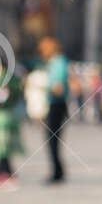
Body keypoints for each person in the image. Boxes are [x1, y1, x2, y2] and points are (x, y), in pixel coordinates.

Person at [0, 59, 25, 189]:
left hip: (0, 116)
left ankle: (3, 172)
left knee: (1, 146)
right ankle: (5, 171)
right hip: (11, 115)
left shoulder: (1, 80)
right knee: (5, 146)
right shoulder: (14, 79)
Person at [37, 38, 70, 184]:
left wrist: (41, 86)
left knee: (52, 139)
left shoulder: (58, 63)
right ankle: (57, 170)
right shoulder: (55, 63)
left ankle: (57, 172)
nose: (41, 54)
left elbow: (58, 88)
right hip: (54, 104)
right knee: (52, 139)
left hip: (57, 105)